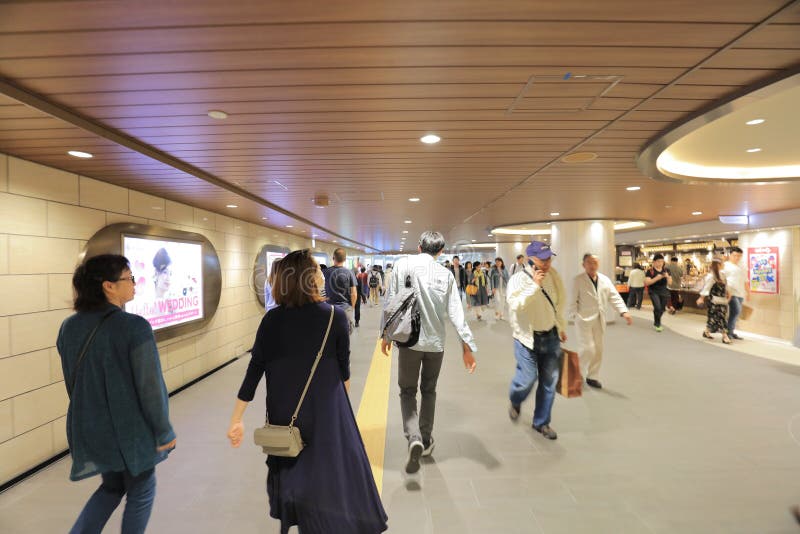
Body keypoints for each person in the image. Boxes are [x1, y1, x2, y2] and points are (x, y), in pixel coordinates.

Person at [228, 250, 388, 533]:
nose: (321, 274)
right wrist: (342, 415)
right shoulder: (334, 317)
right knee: (329, 478)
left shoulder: (271, 320)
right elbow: (344, 372)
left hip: (285, 415)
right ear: (307, 278)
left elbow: (255, 370)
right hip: (326, 412)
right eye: (316, 269)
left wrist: (236, 418)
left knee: (296, 476)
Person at [57, 254, 176, 534]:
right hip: (131, 434)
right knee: (141, 489)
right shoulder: (134, 327)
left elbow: (73, 384)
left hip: (93, 428)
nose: (134, 283)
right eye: (129, 278)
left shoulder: (69, 327)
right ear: (108, 286)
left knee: (112, 486)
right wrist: (164, 431)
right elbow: (150, 387)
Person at [380, 231, 477, 474]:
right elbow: (456, 313)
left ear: (419, 247)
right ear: (441, 251)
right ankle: (425, 438)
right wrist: (466, 347)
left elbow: (390, 301)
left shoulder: (402, 265)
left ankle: (413, 437)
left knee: (407, 391)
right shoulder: (446, 274)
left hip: (409, 342)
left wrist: (386, 335)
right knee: (429, 390)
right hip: (435, 345)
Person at [506, 241, 567, 440]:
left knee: (549, 382)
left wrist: (561, 326)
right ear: (530, 259)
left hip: (551, 336)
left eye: (549, 258)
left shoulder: (554, 276)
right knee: (527, 380)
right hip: (526, 339)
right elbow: (515, 305)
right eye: (543, 259)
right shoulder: (517, 279)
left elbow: (559, 302)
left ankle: (541, 422)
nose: (547, 263)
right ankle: (516, 399)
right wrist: (534, 286)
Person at [568, 253, 633, 389]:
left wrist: (623, 311)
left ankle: (592, 376)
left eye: (595, 263)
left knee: (598, 349)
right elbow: (572, 300)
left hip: (599, 319)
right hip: (583, 320)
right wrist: (574, 315)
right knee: (587, 349)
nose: (592, 265)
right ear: (583, 265)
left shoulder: (605, 280)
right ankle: (575, 373)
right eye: (589, 262)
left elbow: (614, 296)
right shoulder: (578, 280)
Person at [697, 258, 732, 344]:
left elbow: (726, 286)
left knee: (716, 318)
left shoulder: (723, 274)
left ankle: (706, 331)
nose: (724, 264)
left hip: (722, 300)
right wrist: (701, 298)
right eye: (722, 263)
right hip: (713, 301)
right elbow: (707, 288)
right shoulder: (711, 276)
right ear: (718, 265)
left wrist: (728, 293)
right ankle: (725, 336)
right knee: (719, 318)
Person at [324, 248, 358, 332]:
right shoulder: (350, 273)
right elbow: (354, 293)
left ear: (333, 258)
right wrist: (352, 307)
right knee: (345, 334)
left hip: (329, 309)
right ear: (345, 259)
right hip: (345, 309)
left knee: (330, 334)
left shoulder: (325, 272)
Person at [723, 246, 747, 340]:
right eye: (735, 255)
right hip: (731, 292)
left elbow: (745, 280)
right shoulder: (725, 265)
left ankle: (731, 332)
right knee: (736, 311)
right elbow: (721, 278)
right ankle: (728, 332)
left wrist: (748, 292)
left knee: (735, 313)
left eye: (739, 256)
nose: (737, 258)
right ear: (730, 255)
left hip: (740, 293)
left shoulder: (741, 266)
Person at [644, 254, 672, 332]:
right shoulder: (650, 271)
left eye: (662, 262)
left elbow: (670, 283)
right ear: (654, 262)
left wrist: (667, 276)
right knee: (657, 307)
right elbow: (647, 283)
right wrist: (656, 278)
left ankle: (656, 319)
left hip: (664, 291)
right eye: (658, 261)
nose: (660, 263)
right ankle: (658, 324)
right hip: (653, 291)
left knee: (662, 309)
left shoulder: (666, 270)